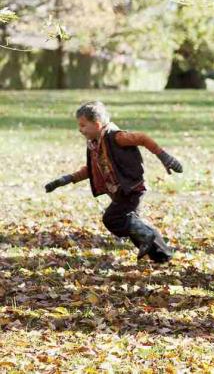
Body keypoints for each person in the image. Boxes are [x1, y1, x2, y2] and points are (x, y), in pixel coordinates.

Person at [44, 101, 181, 263]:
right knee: (134, 226)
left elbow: (142, 138)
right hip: (119, 191)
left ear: (96, 124)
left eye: (83, 125)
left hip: (131, 188)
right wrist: (67, 179)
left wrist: (164, 157)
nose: (80, 130)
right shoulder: (95, 145)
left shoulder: (116, 137)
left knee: (114, 219)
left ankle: (149, 236)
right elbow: (92, 169)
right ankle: (162, 256)